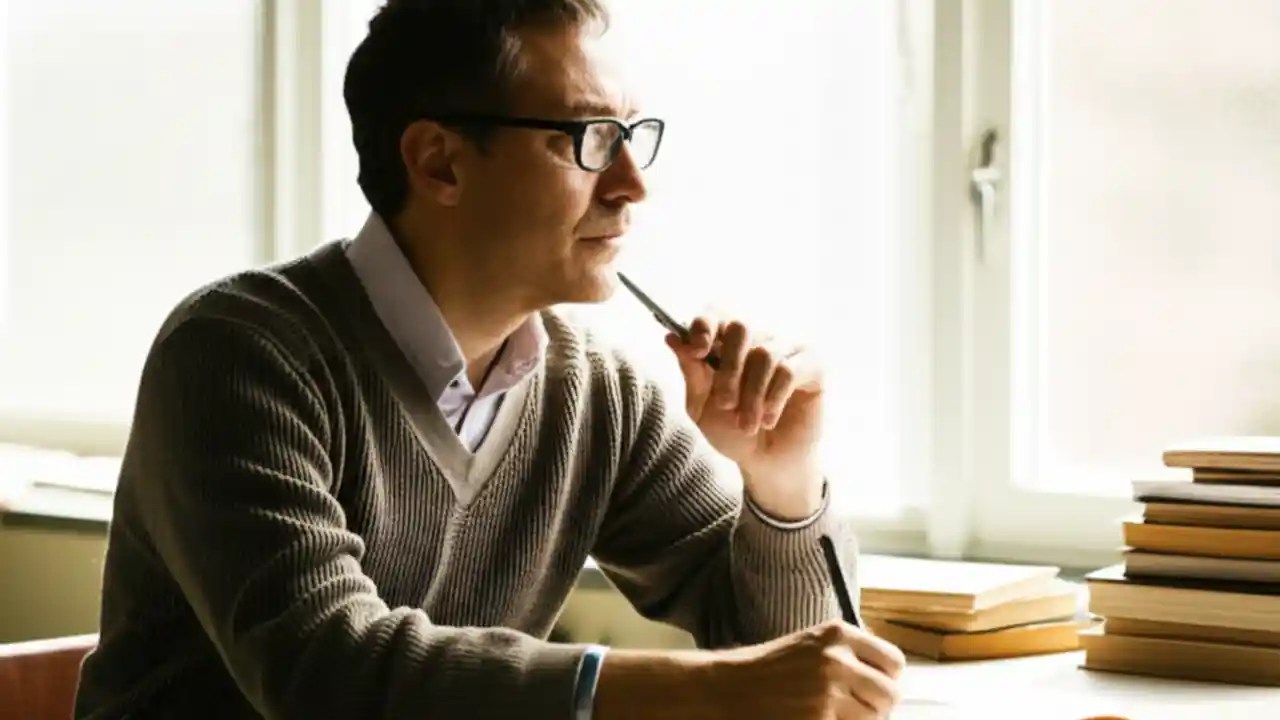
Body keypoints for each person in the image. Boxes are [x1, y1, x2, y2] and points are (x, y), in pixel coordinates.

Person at [74, 1, 905, 718]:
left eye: (629, 138)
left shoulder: (596, 392)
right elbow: (327, 676)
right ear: (439, 160)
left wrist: (782, 483)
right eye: (585, 138)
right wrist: (706, 695)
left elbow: (791, 667)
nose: (630, 186)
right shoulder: (238, 354)